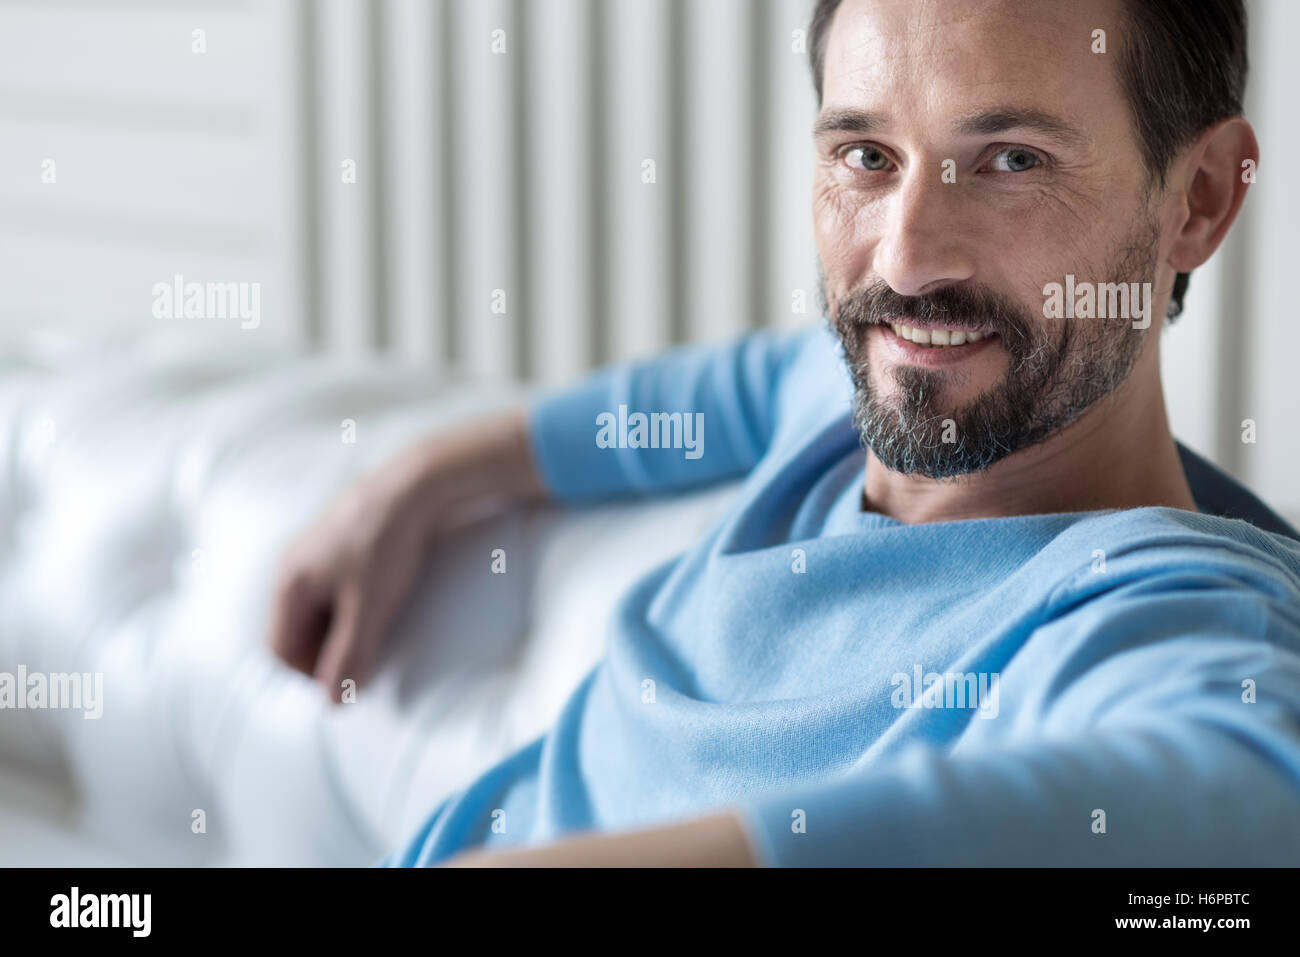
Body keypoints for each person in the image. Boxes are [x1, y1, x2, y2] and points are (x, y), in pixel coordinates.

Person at [269, 0, 1300, 866]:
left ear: (1199, 199)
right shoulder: (837, 406)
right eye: (866, 155)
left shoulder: (1169, 607)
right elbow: (726, 389)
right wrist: (414, 479)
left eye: (1009, 160)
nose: (904, 262)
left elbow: (1247, 790)